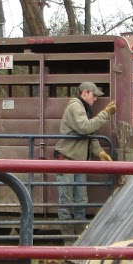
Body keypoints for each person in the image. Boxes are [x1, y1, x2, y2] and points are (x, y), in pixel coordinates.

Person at [54, 81, 116, 221]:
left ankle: (76, 239)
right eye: (94, 95)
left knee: (79, 201)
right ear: (85, 93)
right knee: (67, 202)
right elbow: (85, 128)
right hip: (68, 159)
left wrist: (99, 152)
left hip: (76, 160)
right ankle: (70, 239)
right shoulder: (76, 107)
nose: (95, 99)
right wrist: (105, 114)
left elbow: (89, 134)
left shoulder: (83, 108)